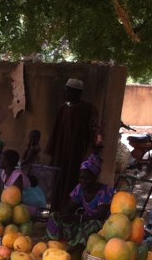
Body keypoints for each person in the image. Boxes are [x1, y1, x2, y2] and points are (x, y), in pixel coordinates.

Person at [46, 79, 102, 209]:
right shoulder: (62, 109)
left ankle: (71, 211)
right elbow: (55, 132)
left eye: (69, 91)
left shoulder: (88, 109)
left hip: (78, 154)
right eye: (66, 91)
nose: (66, 94)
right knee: (58, 182)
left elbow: (94, 131)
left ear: (78, 93)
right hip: (61, 154)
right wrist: (52, 155)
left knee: (75, 181)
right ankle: (56, 211)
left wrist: (92, 152)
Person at [47, 153, 115, 245]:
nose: (83, 181)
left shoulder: (105, 191)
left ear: (95, 177)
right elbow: (70, 207)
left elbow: (100, 215)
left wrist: (79, 218)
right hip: (82, 220)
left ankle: (76, 246)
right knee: (54, 216)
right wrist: (62, 215)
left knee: (93, 225)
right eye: (81, 178)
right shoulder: (80, 188)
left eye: (87, 178)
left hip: (101, 225)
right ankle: (54, 242)